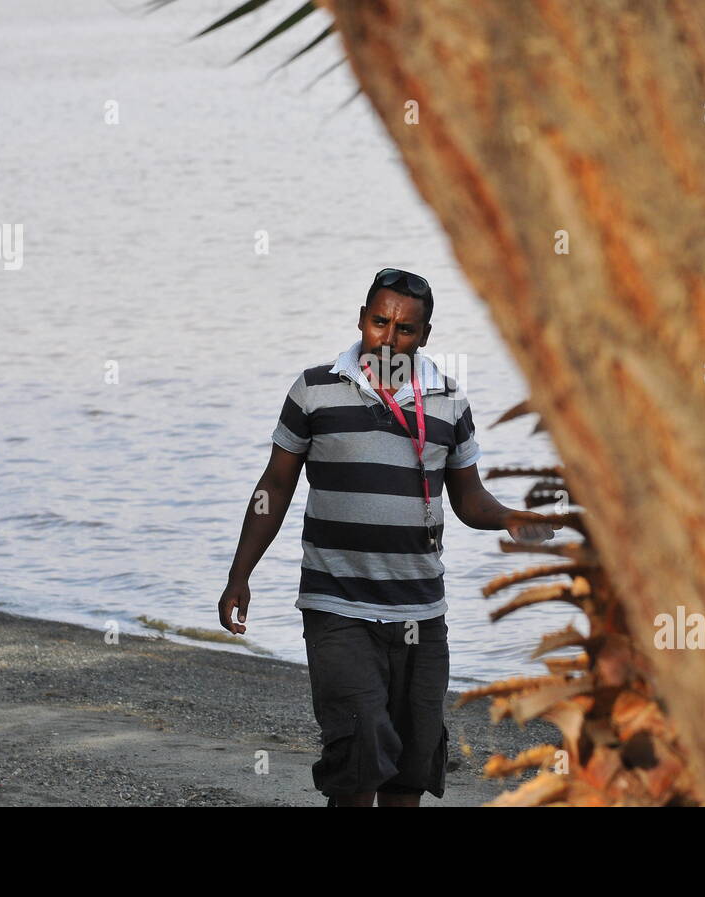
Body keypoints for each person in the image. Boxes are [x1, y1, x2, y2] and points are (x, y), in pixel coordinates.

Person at [219, 268, 555, 807]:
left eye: (404, 329)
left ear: (423, 336)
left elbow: (470, 501)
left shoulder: (447, 399)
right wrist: (240, 575)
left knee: (409, 767)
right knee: (358, 758)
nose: (388, 337)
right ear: (362, 320)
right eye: (379, 322)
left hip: (422, 613)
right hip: (338, 607)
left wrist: (513, 519)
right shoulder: (314, 390)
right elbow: (275, 486)